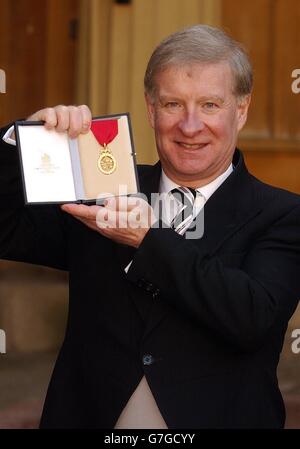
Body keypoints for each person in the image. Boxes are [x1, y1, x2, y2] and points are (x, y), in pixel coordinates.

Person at [1, 24, 300, 429]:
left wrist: (149, 240)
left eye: (210, 105)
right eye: (173, 104)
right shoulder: (102, 187)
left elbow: (252, 317)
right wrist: (19, 141)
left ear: (241, 110)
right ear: (150, 109)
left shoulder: (282, 214)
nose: (190, 126)